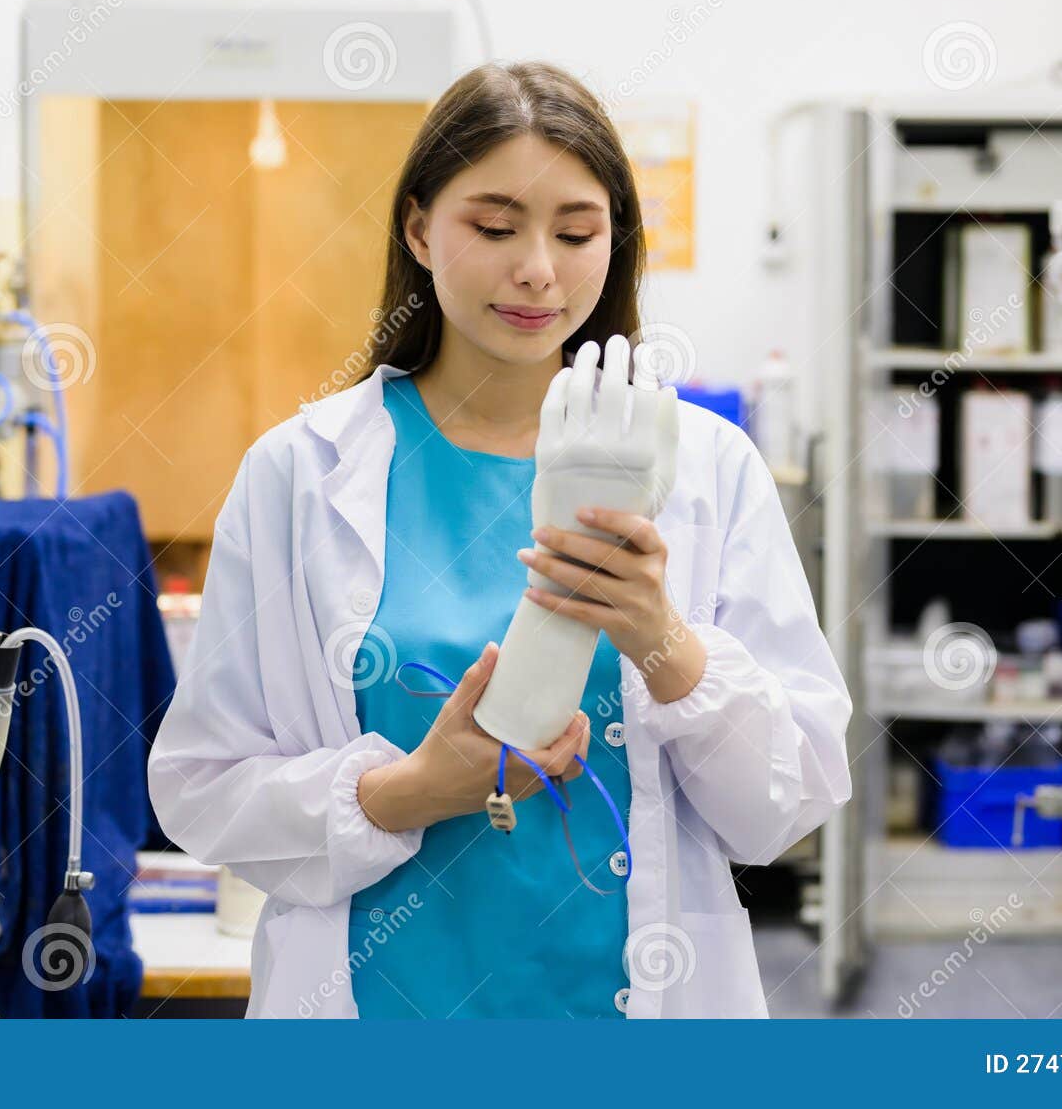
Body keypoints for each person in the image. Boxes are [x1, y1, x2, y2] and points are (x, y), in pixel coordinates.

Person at [147, 61, 852, 1019]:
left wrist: (661, 637)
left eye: (576, 232)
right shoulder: (302, 473)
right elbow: (201, 788)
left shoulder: (708, 467)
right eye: (493, 227)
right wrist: (410, 790)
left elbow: (788, 804)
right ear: (417, 227)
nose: (538, 270)